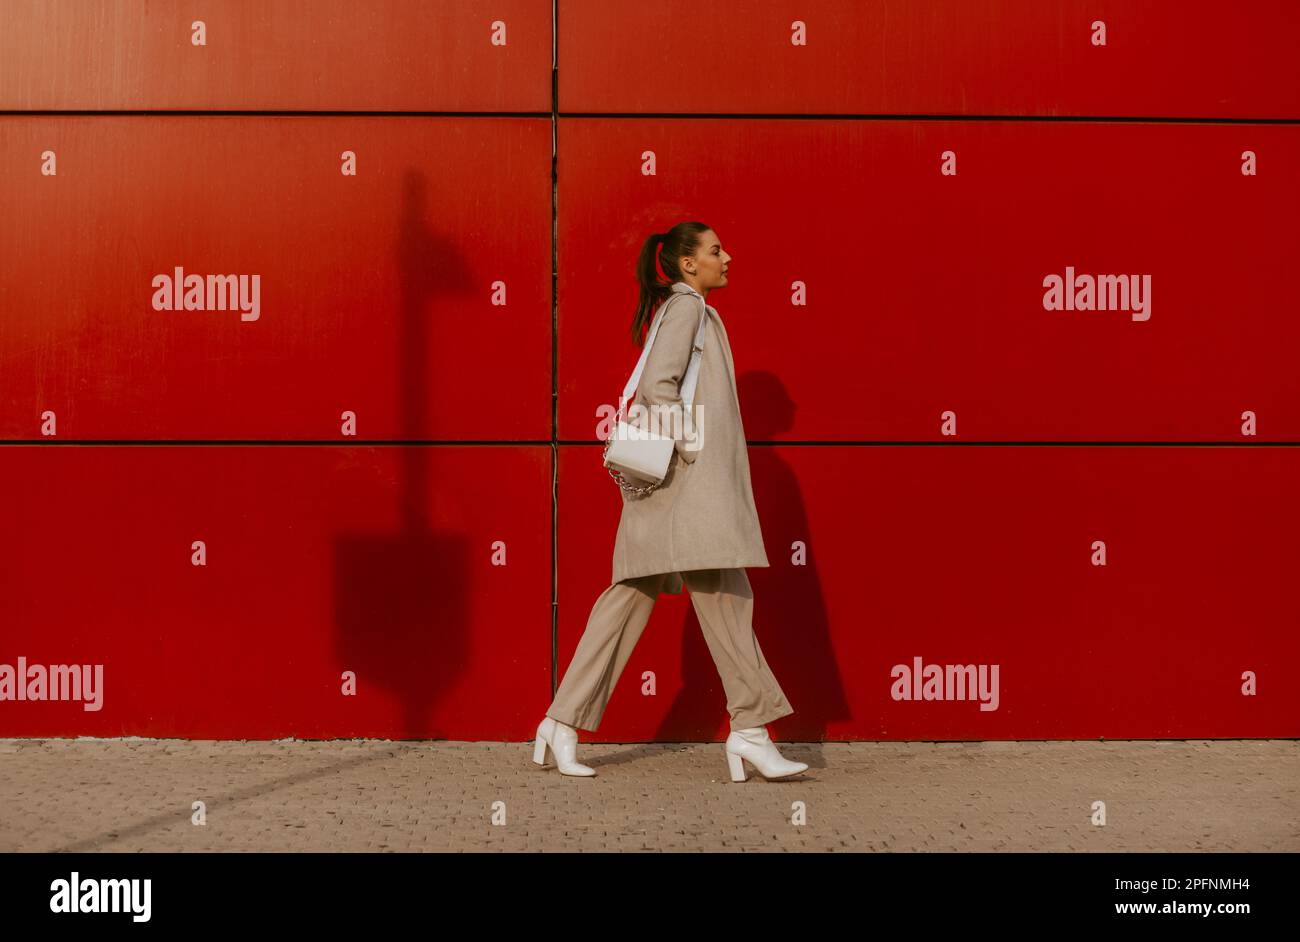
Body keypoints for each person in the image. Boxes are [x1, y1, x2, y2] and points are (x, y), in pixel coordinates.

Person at [533, 222, 807, 783]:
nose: (727, 257)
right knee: (726, 598)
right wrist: (693, 449)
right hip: (687, 489)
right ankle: (751, 731)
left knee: (631, 597)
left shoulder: (685, 310)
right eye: (714, 250)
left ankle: (560, 724)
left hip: (669, 493)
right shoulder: (688, 310)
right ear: (687, 264)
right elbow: (660, 387)